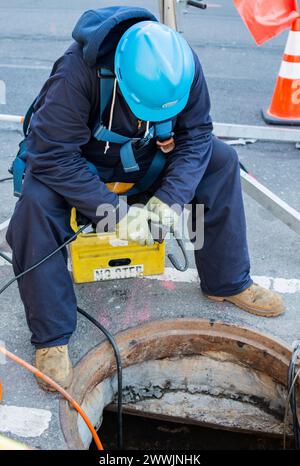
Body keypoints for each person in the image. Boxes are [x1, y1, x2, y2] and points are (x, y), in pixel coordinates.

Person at [6, 6, 284, 391]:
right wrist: (114, 214)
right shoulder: (77, 73)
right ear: (120, 75)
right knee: (35, 207)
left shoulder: (182, 67)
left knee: (221, 161)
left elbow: (197, 134)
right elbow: (51, 154)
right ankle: (51, 338)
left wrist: (168, 200)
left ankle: (228, 281)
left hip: (143, 159)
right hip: (82, 166)